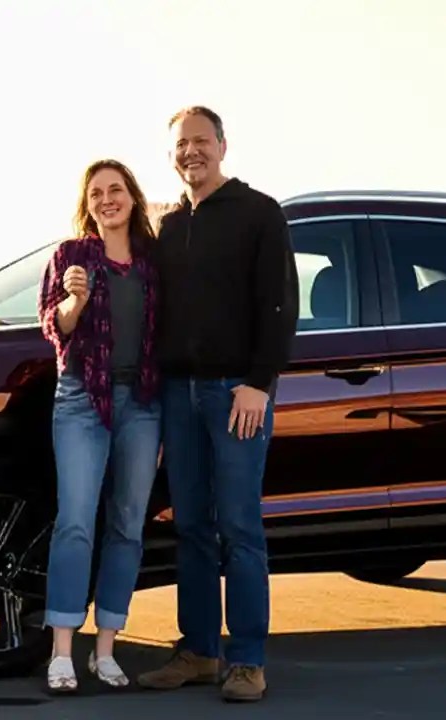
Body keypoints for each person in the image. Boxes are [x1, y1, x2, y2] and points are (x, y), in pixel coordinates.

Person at [135, 106, 298, 703]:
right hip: (179, 394)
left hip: (238, 393)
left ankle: (247, 661)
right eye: (181, 144)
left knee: (239, 527)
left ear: (223, 146)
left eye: (201, 141)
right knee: (192, 527)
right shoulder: (168, 224)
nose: (190, 152)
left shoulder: (259, 213)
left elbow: (279, 303)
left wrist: (260, 381)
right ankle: (199, 651)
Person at [37, 159, 162, 694]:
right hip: (83, 399)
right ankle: (63, 652)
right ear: (87, 205)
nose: (106, 199)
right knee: (76, 522)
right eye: (96, 194)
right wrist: (76, 300)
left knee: (129, 524)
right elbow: (54, 326)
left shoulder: (154, 263)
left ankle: (106, 648)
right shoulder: (71, 258)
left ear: (132, 197)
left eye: (115, 190)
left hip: (144, 402)